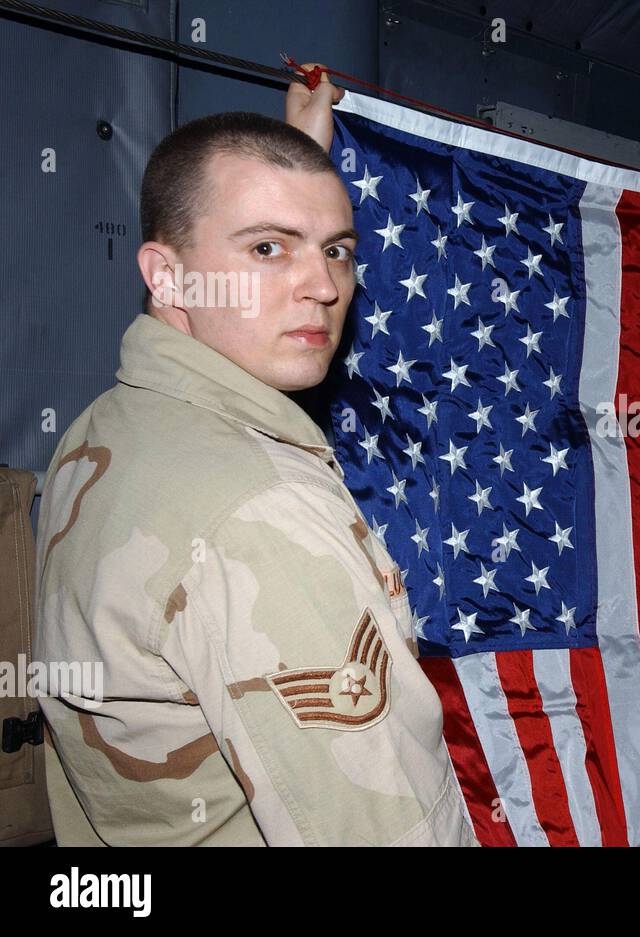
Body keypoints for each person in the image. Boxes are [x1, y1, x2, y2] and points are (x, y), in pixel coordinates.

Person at [33, 66, 475, 845]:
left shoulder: (104, 428)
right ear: (167, 276)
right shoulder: (257, 515)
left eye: (337, 248)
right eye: (268, 246)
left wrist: (289, 180)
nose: (323, 286)